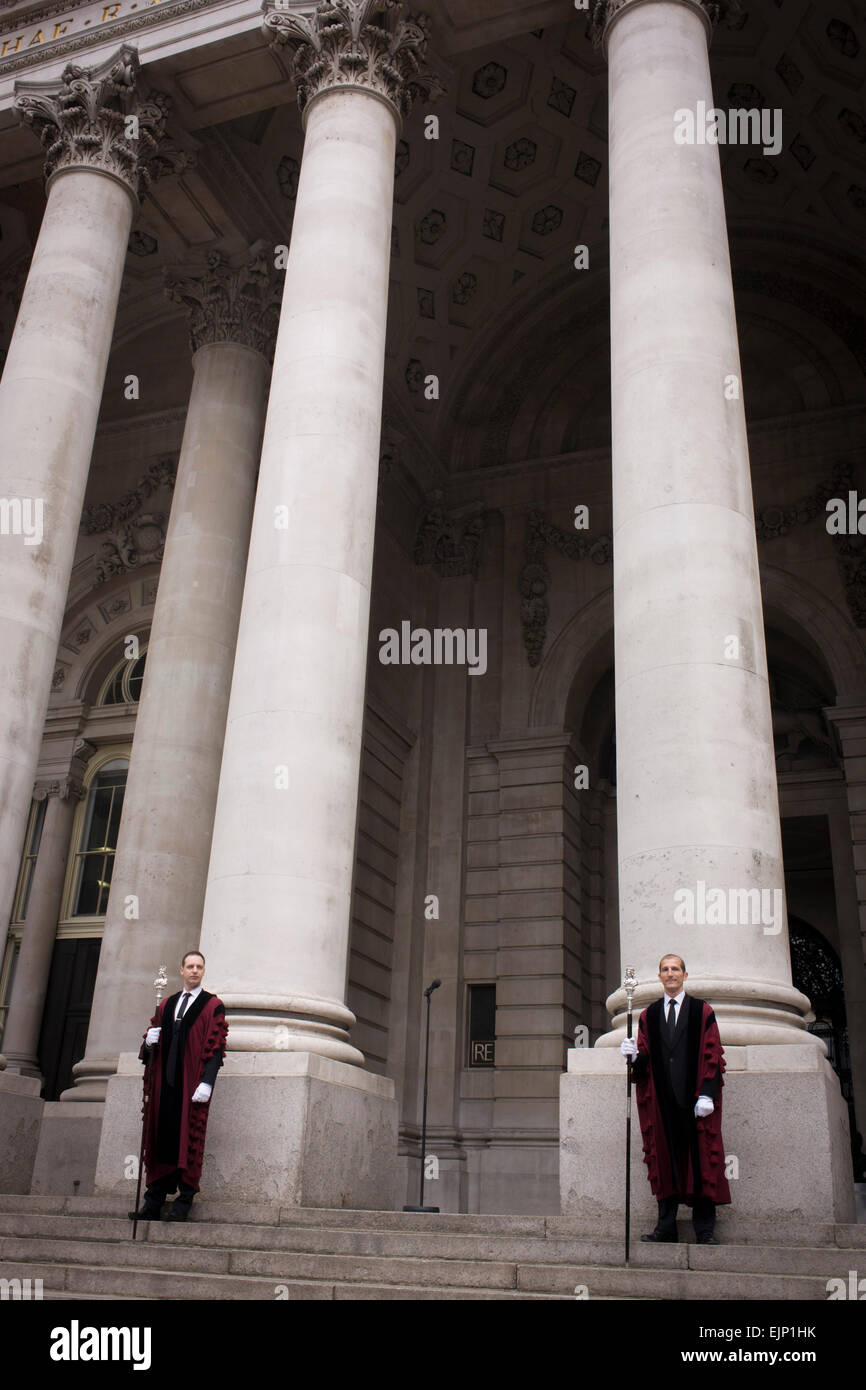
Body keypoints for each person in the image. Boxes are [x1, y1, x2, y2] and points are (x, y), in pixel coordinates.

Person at [620, 953, 730, 1244]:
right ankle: (666, 1226)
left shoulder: (702, 1011)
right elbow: (644, 1063)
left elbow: (712, 1054)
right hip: (662, 1101)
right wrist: (635, 1056)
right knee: (664, 1162)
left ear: (685, 975)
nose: (670, 974)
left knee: (701, 1161)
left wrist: (707, 1093)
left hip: (695, 1101)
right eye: (665, 970)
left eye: (675, 969)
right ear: (659, 976)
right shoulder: (648, 1015)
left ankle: (704, 1230)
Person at [130, 950, 227, 1223]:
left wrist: (207, 1082)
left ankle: (183, 1203)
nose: (194, 971)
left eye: (199, 967)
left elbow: (216, 1047)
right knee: (160, 1138)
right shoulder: (166, 1005)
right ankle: (153, 1201)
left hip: (191, 1086)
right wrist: (149, 1042)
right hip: (164, 1085)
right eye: (190, 966)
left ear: (203, 971)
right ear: (181, 970)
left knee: (189, 1141)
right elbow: (149, 1054)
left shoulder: (212, 1005)